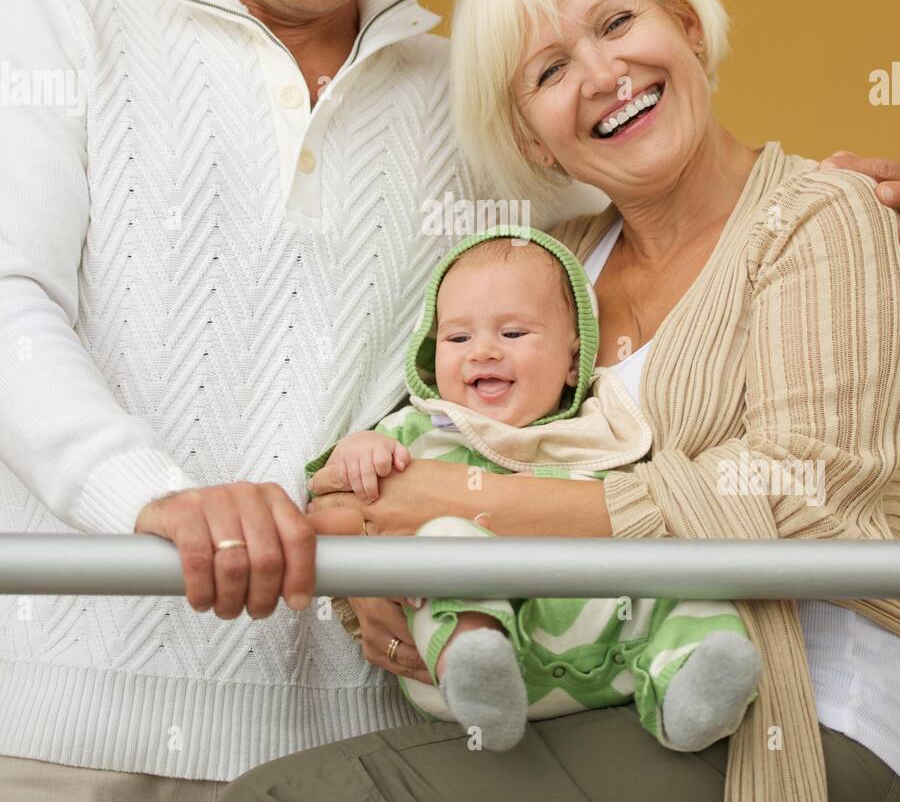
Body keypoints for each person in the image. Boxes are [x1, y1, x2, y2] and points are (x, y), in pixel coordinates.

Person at [0, 0, 900, 802]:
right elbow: (9, 300)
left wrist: (836, 208)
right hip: (75, 733)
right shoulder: (55, 25)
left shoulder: (478, 107)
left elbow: (664, 224)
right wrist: (154, 495)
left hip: (379, 739)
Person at [205, 0, 900, 802]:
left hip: (801, 722)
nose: (601, 76)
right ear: (536, 141)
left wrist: (482, 507)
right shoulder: (556, 274)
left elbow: (802, 499)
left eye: (617, 23)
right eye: (548, 72)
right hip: (592, 697)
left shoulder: (826, 219)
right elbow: (421, 439)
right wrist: (369, 565)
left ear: (684, 21)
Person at [306, 226, 762, 756]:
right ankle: (474, 660)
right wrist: (359, 449)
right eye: (458, 339)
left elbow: (659, 506)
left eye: (513, 334)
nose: (482, 353)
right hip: (460, 678)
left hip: (615, 654)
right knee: (449, 540)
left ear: (573, 362)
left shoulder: (605, 427)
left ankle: (687, 695)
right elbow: (333, 490)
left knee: (692, 582)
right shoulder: (421, 430)